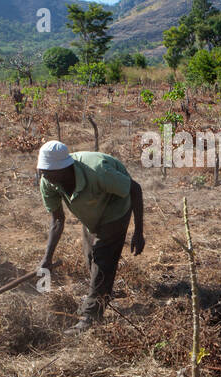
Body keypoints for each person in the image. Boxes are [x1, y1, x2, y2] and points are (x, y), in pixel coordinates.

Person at [37, 140, 144, 332]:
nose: (44, 176)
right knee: (90, 259)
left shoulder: (98, 172)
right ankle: (102, 294)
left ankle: (90, 317)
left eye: (48, 172)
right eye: (42, 171)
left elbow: (135, 189)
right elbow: (57, 220)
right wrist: (47, 258)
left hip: (115, 207)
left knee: (102, 260)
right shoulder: (48, 181)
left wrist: (138, 231)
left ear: (64, 168)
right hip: (91, 213)